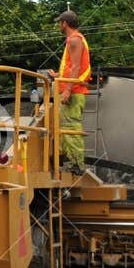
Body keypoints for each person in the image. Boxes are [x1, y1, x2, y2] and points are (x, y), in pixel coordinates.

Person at [45, 10, 91, 174]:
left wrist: (68, 90)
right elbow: (72, 67)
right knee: (65, 127)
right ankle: (72, 163)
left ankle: (76, 164)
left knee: (71, 127)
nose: (59, 25)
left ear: (64, 23)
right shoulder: (74, 39)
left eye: (60, 22)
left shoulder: (75, 40)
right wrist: (58, 75)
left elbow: (76, 67)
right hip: (71, 88)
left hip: (73, 90)